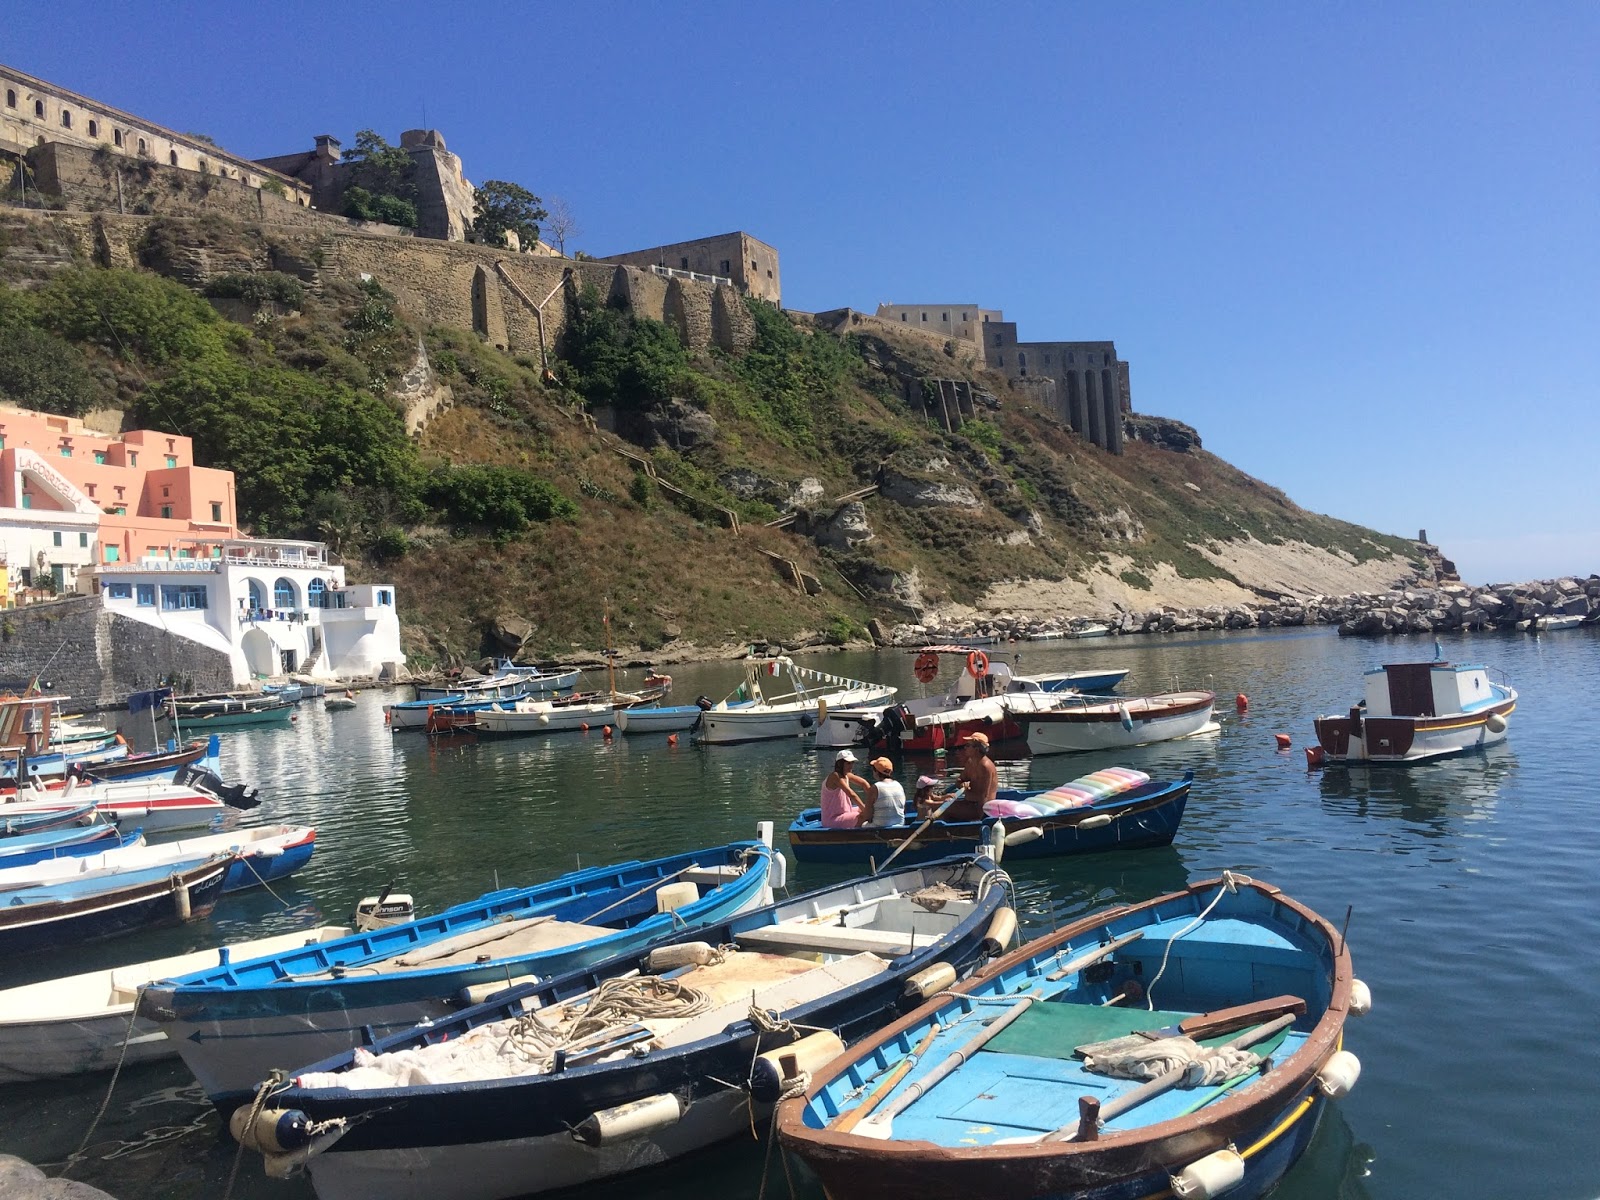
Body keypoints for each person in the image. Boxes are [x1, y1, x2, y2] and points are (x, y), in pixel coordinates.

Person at [931, 731, 998, 822]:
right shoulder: (970, 762)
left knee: (936, 807)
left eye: (968, 745)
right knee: (935, 805)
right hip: (969, 803)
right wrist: (962, 784)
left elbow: (983, 797)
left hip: (981, 809)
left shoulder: (985, 766)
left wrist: (980, 820)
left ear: (977, 749)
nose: (965, 748)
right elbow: (959, 781)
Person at [819, 749, 870, 829]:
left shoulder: (846, 775)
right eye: (848, 763)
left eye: (852, 763)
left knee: (870, 808)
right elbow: (851, 794)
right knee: (863, 815)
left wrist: (873, 800)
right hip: (832, 819)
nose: (851, 766)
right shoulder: (835, 776)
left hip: (846, 812)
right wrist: (866, 811)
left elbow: (864, 783)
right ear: (840, 764)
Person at [866, 756, 906, 826]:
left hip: (879, 826)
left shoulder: (875, 787)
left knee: (862, 823)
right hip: (900, 824)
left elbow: (867, 815)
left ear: (876, 772)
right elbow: (903, 809)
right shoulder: (898, 785)